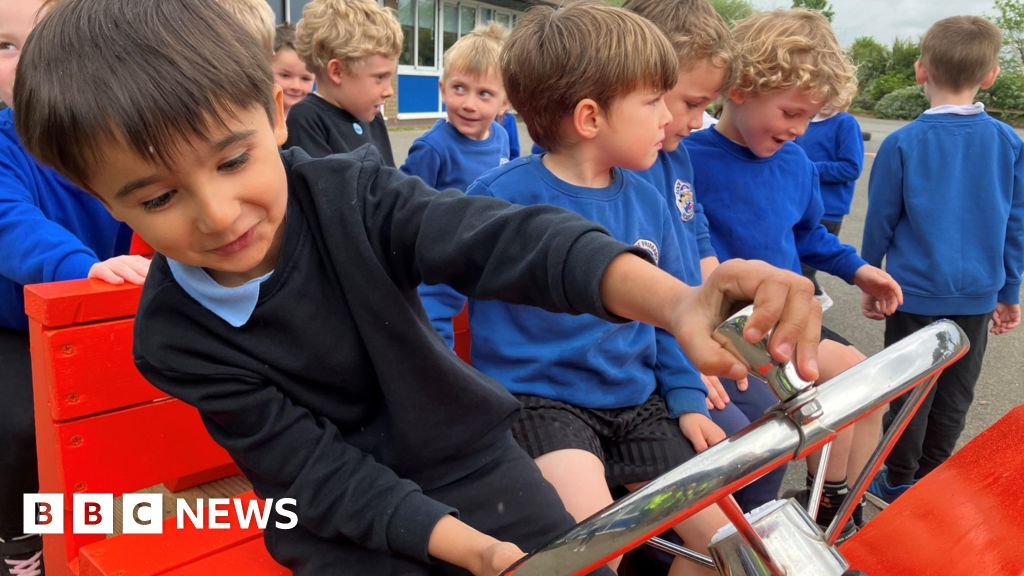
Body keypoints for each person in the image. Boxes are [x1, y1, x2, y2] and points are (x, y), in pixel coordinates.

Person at [16, 1, 825, 574]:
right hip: (334, 524)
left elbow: (510, 241)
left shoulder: (353, 196)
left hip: (471, 461)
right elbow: (310, 474)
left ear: (274, 115)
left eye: (232, 159)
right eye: (156, 197)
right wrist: (466, 548)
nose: (218, 213)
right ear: (96, 191)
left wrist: (677, 300)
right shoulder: (176, 336)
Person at [444, 3, 736, 573]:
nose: (669, 117)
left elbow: (680, 312)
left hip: (638, 400)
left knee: (728, 542)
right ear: (589, 118)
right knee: (594, 550)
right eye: (653, 101)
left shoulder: (650, 200)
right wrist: (444, 391)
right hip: (541, 402)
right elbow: (432, 294)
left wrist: (687, 397)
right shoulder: (498, 197)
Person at [683, 8, 903, 539]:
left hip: (790, 316)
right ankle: (820, 504)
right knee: (835, 383)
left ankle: (832, 501)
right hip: (734, 325)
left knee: (873, 384)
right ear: (739, 88)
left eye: (810, 117)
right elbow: (688, 247)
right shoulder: (688, 159)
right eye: (789, 112)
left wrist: (858, 270)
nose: (799, 129)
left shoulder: (796, 163)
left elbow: (808, 236)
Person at [0, 1, 149, 573]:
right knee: (19, 427)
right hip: (17, 321)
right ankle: (20, 544)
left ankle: (111, 527)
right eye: (5, 46)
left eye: (42, 38)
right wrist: (78, 266)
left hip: (104, 310)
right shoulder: (6, 148)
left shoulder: (118, 132)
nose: (27, 61)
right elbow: (10, 222)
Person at [624, 0, 784, 514]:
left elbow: (699, 251)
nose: (698, 122)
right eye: (690, 104)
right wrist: (690, 355)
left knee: (774, 425)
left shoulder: (677, 155)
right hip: (648, 357)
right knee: (742, 453)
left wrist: (726, 335)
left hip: (685, 338)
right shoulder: (620, 168)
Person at [863, 15, 1023, 503]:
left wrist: (872, 279)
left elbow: (880, 221)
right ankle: (934, 480)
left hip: (912, 292)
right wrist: (1009, 291)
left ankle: (897, 478)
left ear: (919, 71)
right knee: (956, 392)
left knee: (910, 391)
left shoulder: (902, 143)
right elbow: (1015, 224)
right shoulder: (1008, 143)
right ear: (991, 74)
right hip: (977, 293)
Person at [401, 22, 510, 347]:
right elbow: (404, 202)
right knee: (434, 320)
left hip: (486, 247)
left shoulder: (503, 138)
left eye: (484, 94)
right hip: (442, 253)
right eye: (459, 88)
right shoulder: (432, 147)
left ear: (505, 103)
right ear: (442, 88)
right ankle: (440, 375)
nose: (469, 104)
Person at [285, 0, 398, 166]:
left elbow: (391, 180)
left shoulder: (374, 118)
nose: (389, 91)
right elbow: (325, 187)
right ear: (337, 72)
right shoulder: (306, 119)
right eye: (380, 78)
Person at [794, 107, 864, 311]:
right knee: (795, 263)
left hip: (828, 209)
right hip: (801, 204)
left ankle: (812, 304)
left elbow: (851, 168)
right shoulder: (806, 119)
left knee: (804, 270)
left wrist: (809, 167)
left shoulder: (845, 123)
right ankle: (816, 296)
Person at [273, 23, 316, 118]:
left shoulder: (314, 123)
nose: (296, 86)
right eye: (285, 75)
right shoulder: (255, 118)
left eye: (305, 78)